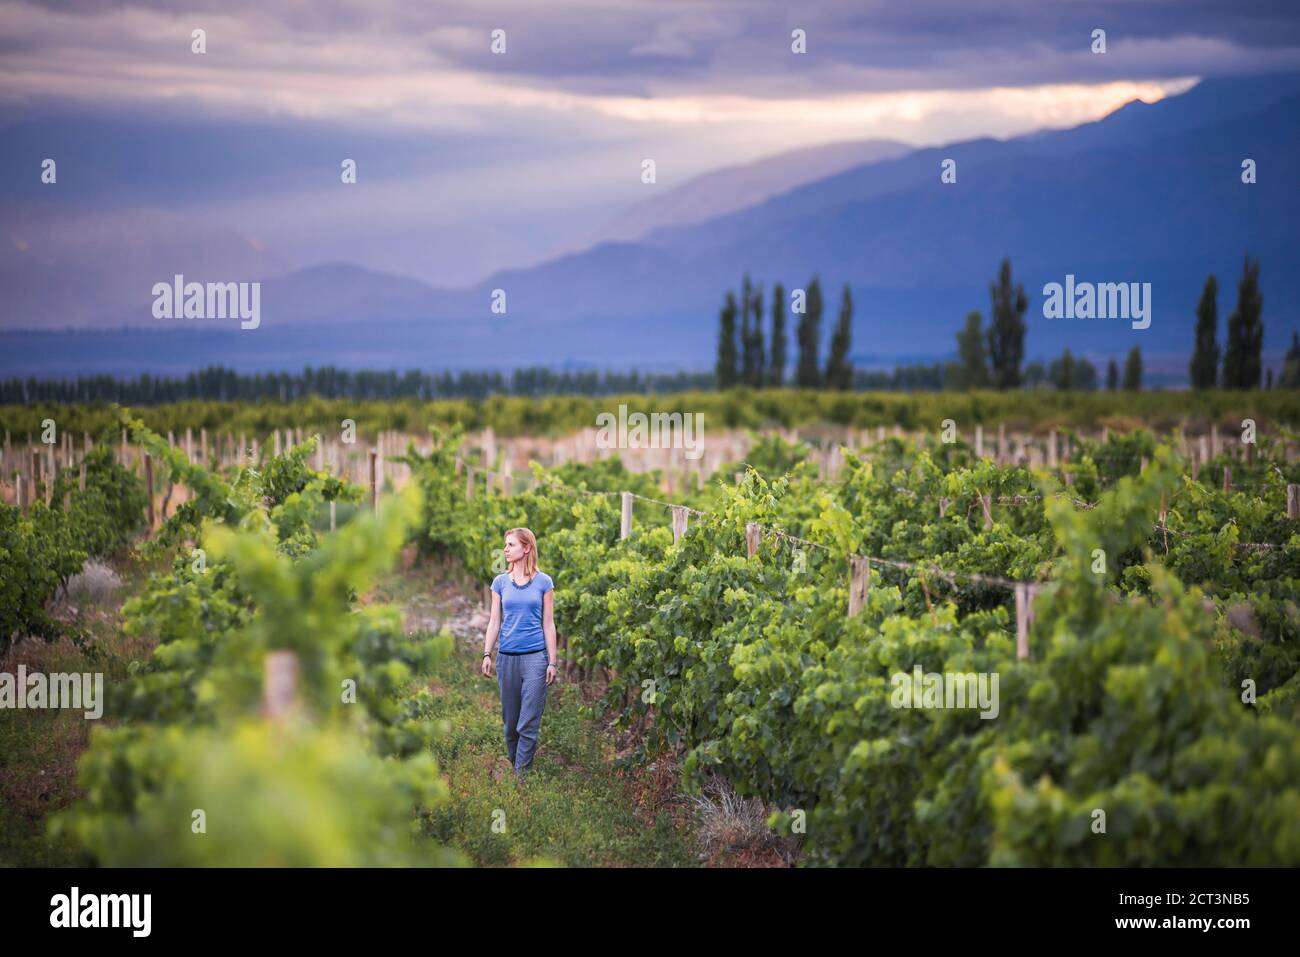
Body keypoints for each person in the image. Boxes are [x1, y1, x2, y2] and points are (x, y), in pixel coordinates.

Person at [481, 527, 556, 777]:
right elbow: (494, 621)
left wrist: (552, 662)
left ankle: (520, 778)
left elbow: (548, 623)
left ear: (526, 548)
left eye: (511, 545)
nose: (505, 549)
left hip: (536, 658)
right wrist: (487, 653)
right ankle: (516, 765)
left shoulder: (544, 582)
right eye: (505, 545)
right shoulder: (499, 583)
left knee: (529, 721)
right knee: (511, 725)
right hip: (507, 658)